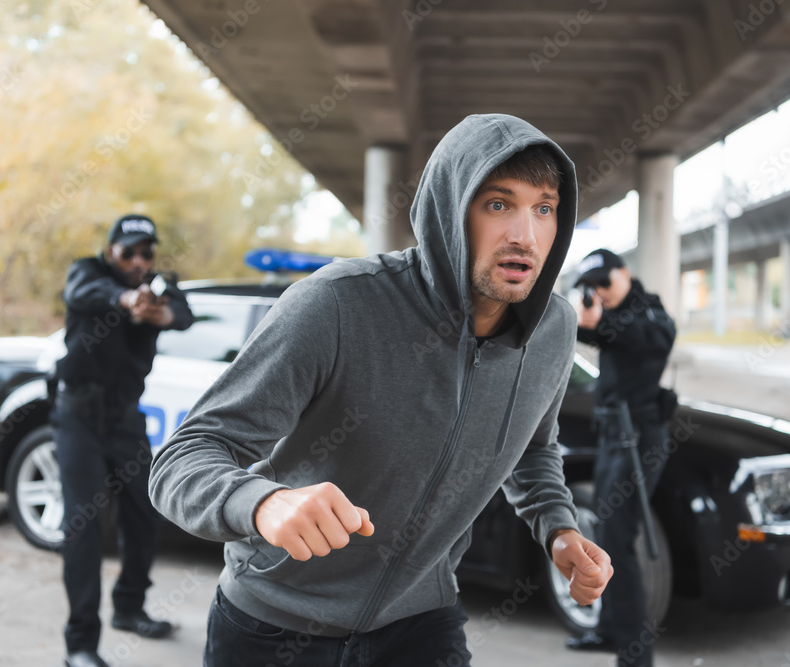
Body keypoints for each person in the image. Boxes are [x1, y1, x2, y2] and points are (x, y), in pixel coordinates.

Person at [149, 114, 613, 666]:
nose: (524, 234)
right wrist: (262, 501)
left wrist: (558, 528)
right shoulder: (337, 305)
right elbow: (182, 459)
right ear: (449, 209)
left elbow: (534, 449)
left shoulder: (553, 331)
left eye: (544, 208)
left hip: (419, 623)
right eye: (497, 204)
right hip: (274, 623)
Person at [51, 214, 194, 667]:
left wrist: (162, 311)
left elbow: (184, 314)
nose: (137, 261)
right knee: (84, 529)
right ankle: (80, 646)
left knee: (147, 514)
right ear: (110, 251)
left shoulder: (158, 285)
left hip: (126, 417)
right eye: (127, 251)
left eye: (145, 253)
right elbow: (82, 293)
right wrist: (126, 298)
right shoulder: (87, 273)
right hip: (79, 414)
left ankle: (129, 610)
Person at [567, 248, 676, 667]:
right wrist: (581, 320)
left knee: (619, 542)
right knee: (606, 534)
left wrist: (602, 320)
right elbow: (591, 334)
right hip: (612, 436)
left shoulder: (649, 311)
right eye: (591, 287)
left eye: (604, 283)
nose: (600, 292)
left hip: (639, 438)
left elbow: (657, 337)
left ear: (624, 273)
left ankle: (636, 653)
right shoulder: (612, 316)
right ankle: (610, 629)